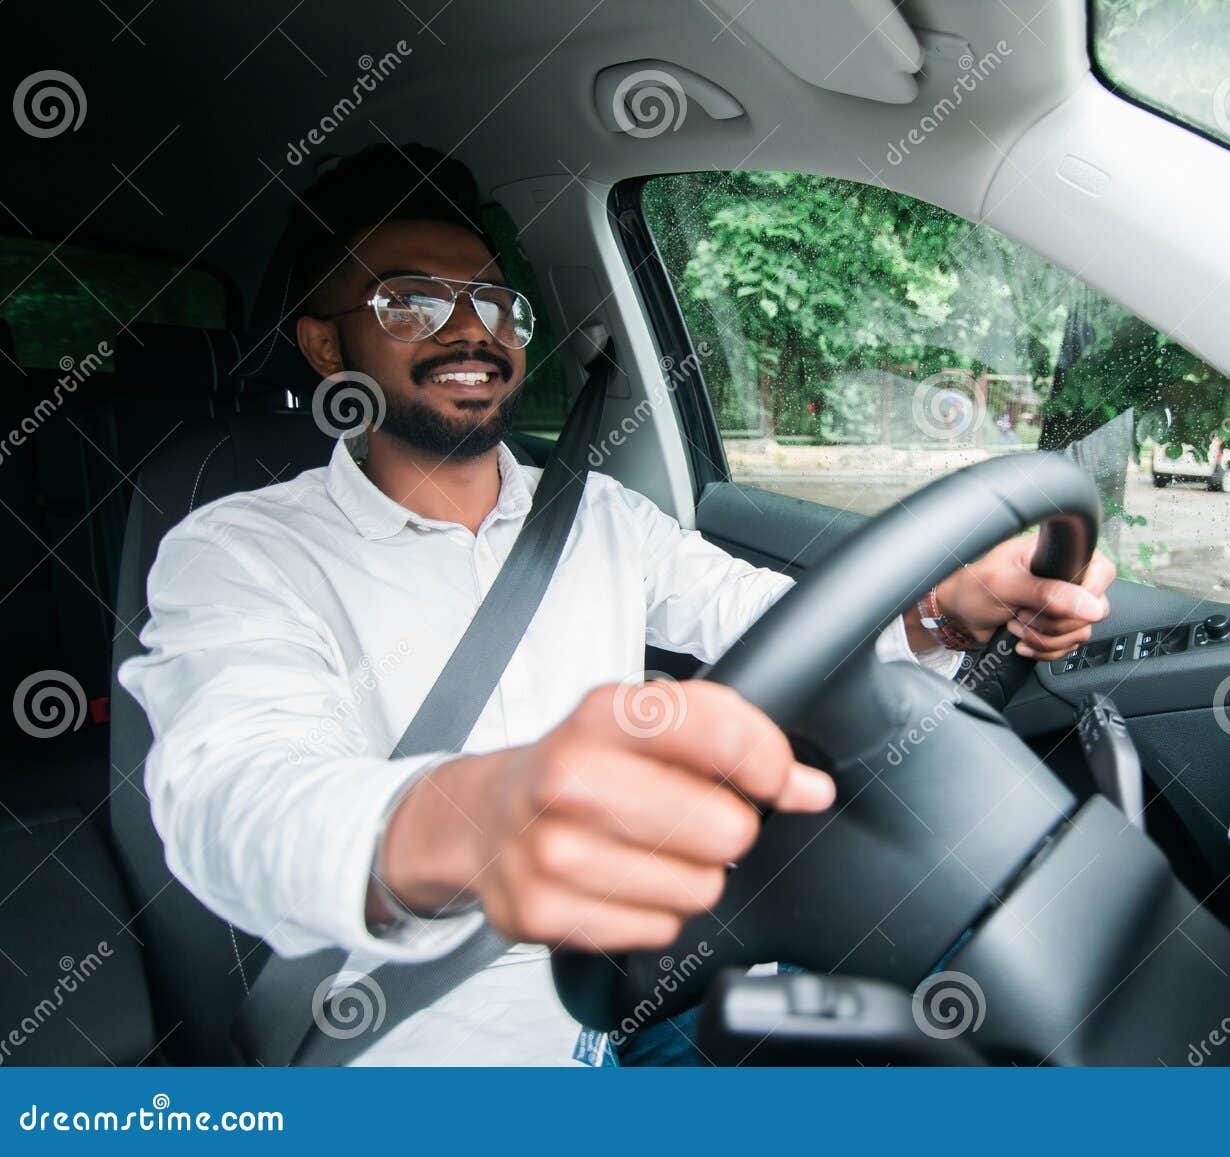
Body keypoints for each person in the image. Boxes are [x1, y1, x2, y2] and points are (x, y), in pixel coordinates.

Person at [119, 143, 1115, 1065]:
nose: (471, 328)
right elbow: (230, 795)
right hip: (437, 1037)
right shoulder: (243, 550)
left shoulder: (594, 513)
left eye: (492, 302)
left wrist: (946, 611)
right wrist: (473, 817)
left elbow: (769, 622)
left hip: (667, 972)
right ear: (326, 346)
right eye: (411, 304)